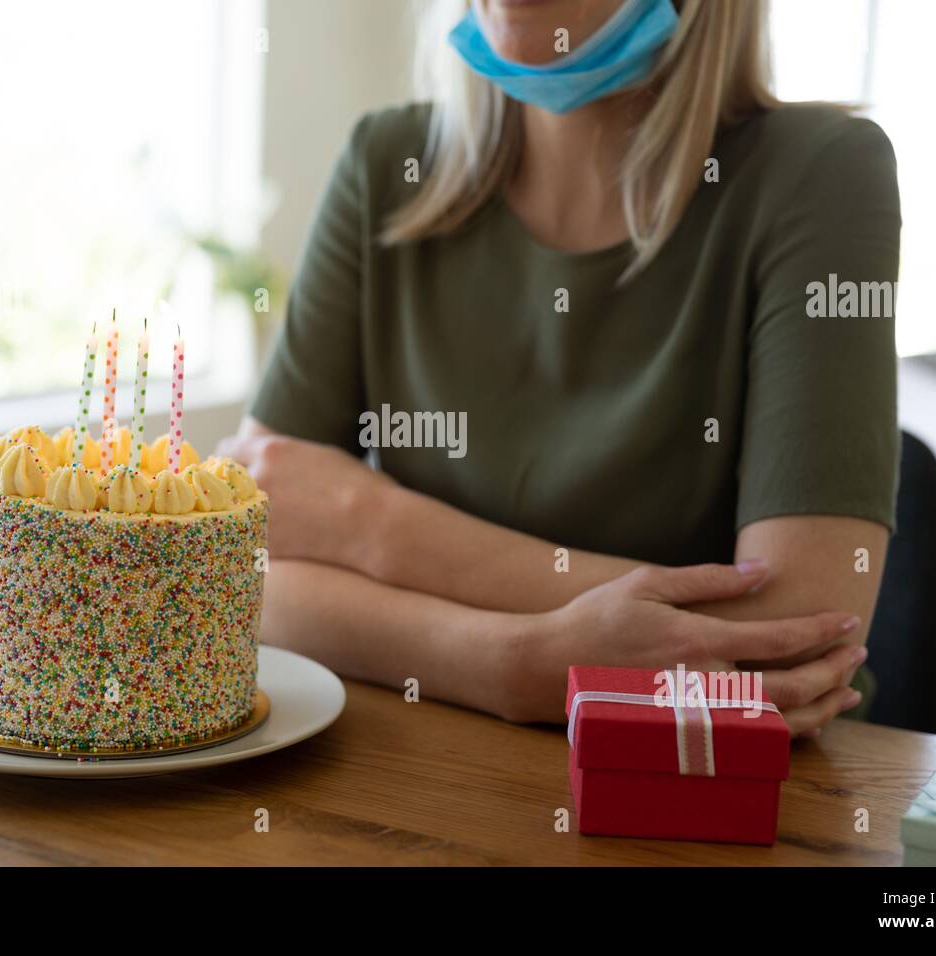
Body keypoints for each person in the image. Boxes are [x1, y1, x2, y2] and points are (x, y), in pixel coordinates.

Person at [217, 0, 900, 736]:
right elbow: (243, 573)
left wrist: (368, 526)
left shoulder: (823, 172)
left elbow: (787, 646)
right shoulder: (384, 164)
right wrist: (517, 664)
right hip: (421, 789)